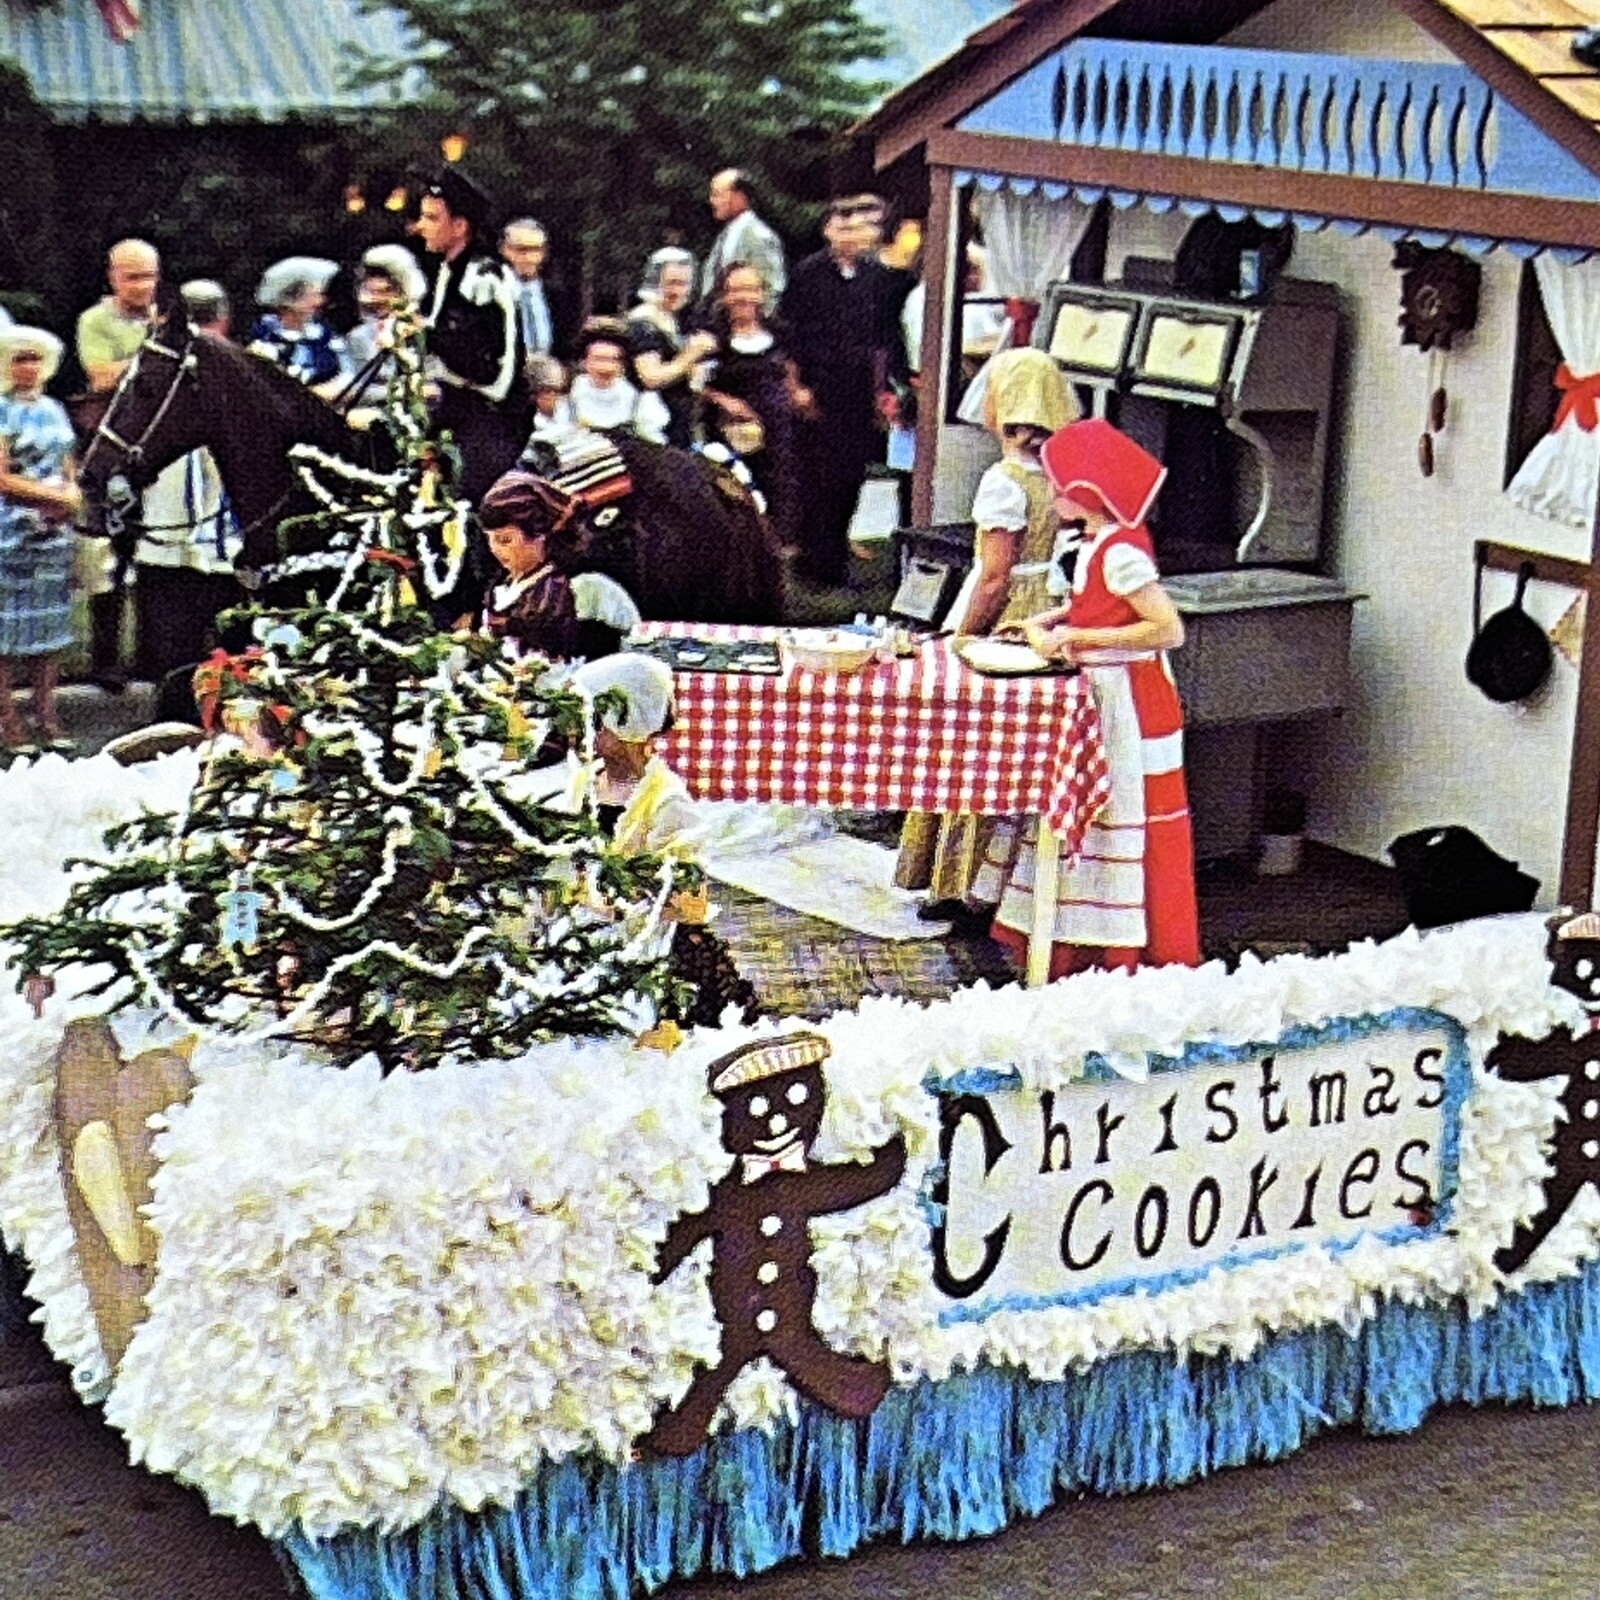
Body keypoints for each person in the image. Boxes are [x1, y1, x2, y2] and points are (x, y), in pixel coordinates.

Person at [973, 418, 1201, 978]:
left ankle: (1128, 952)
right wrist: (1049, 618)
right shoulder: (1099, 542)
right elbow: (1100, 607)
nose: (1051, 497)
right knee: (1097, 813)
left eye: (1058, 487)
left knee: (1123, 815)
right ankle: (1084, 949)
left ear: (1089, 493)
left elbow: (1167, 630)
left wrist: (1077, 638)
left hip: (1131, 704)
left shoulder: (1123, 553)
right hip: (1104, 695)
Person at [896, 347, 1080, 924]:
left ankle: (958, 883)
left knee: (968, 746)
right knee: (1022, 754)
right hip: (1051, 613)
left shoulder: (1005, 481)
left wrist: (959, 638)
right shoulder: (1067, 475)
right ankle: (1012, 886)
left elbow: (994, 577)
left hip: (1011, 615)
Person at [568, 651, 758, 1030]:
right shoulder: (585, 781)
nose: (581, 733)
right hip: (587, 926)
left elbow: (690, 901)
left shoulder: (665, 801)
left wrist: (626, 904)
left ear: (629, 727)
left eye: (595, 724)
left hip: (649, 937)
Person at [779, 195, 905, 586]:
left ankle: (838, 563)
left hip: (857, 393)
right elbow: (790, 335)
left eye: (857, 228)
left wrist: (881, 394)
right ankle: (812, 564)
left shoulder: (875, 279)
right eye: (842, 226)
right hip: (817, 389)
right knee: (815, 479)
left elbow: (884, 339)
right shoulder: (808, 274)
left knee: (850, 478)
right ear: (828, 230)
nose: (850, 235)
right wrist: (796, 386)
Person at [134, 280, 243, 681]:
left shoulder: (241, 369)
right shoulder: (154, 372)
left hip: (227, 539)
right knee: (173, 652)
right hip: (170, 534)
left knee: (234, 650)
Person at [414, 167, 527, 509]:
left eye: (432, 218)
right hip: (456, 410)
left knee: (465, 504)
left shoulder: (485, 276)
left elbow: (484, 367)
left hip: (493, 419)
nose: (421, 226)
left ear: (460, 227)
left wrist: (422, 334)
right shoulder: (448, 271)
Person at [75, 237, 160, 690]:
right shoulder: (96, 321)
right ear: (113, 278)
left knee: (154, 554)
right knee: (109, 556)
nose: (143, 286)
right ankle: (104, 659)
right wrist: (154, 358)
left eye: (149, 276)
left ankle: (149, 654)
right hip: (112, 448)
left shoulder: (163, 318)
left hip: (158, 450)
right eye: (133, 277)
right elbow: (102, 375)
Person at [0, 328, 82, 754]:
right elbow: (1, 476)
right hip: (9, 529)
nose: (28, 367)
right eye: (19, 358)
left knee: (50, 629)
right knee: (6, 632)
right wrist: (53, 496)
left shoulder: (54, 408)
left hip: (54, 533)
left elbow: (69, 465)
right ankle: (7, 720)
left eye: (35, 358)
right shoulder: (1, 410)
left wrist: (71, 497)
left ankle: (47, 715)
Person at [701, 261, 801, 552]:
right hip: (727, 429)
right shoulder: (713, 337)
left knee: (779, 486)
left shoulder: (780, 332)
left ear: (762, 294)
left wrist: (795, 394)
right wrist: (726, 402)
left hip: (775, 428)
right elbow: (698, 385)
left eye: (751, 289)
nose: (744, 297)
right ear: (724, 295)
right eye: (736, 290)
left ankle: (776, 551)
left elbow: (790, 370)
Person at [476, 469, 581, 661]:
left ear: (540, 536)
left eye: (505, 540)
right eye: (490, 540)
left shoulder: (552, 587)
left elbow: (550, 642)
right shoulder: (503, 583)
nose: (495, 549)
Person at [628, 248, 717, 450]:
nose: (677, 291)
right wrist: (692, 354)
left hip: (678, 427)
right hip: (650, 429)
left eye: (684, 284)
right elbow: (651, 377)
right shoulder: (643, 321)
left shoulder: (674, 320)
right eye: (671, 283)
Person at [343, 243, 428, 408]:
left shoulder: (424, 333)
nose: (378, 300)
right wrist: (408, 392)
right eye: (372, 292)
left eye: (386, 291)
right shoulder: (359, 337)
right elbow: (355, 391)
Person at [247, 258, 348, 394]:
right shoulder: (264, 341)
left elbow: (347, 375)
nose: (321, 301)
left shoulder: (325, 336)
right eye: (315, 295)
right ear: (292, 297)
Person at [568, 319, 670, 443]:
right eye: (599, 359)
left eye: (613, 360)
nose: (606, 368)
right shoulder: (570, 393)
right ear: (585, 362)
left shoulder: (638, 397)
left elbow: (653, 440)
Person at [701, 169, 786, 312]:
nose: (712, 201)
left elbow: (772, 289)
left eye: (717, 195)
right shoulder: (726, 234)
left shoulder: (759, 237)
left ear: (739, 196)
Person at [501, 217, 558, 365]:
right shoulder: (493, 290)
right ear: (506, 250)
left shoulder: (559, 296)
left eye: (535, 249)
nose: (529, 257)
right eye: (521, 249)